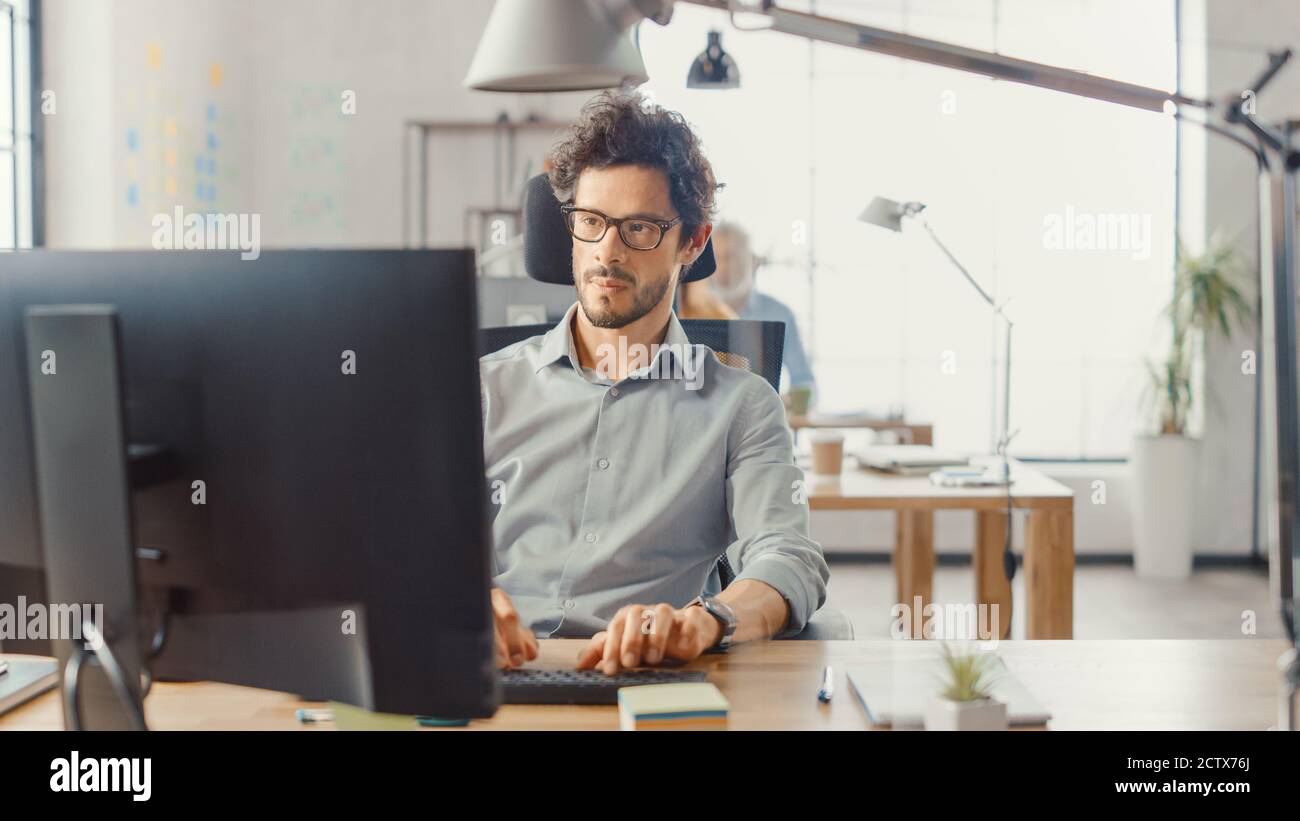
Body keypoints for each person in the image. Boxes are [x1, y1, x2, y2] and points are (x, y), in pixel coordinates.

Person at [479, 90, 829, 675]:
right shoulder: (483, 392)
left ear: (690, 242)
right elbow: (406, 549)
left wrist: (709, 620)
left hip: (647, 681)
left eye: (638, 228)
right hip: (496, 680)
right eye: (590, 222)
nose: (606, 254)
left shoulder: (741, 407)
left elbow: (786, 555)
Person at [696, 222, 817, 402]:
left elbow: (805, 383)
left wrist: (781, 402)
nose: (722, 268)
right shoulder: (693, 311)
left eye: (731, 257)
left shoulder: (780, 314)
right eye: (716, 258)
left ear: (751, 261)